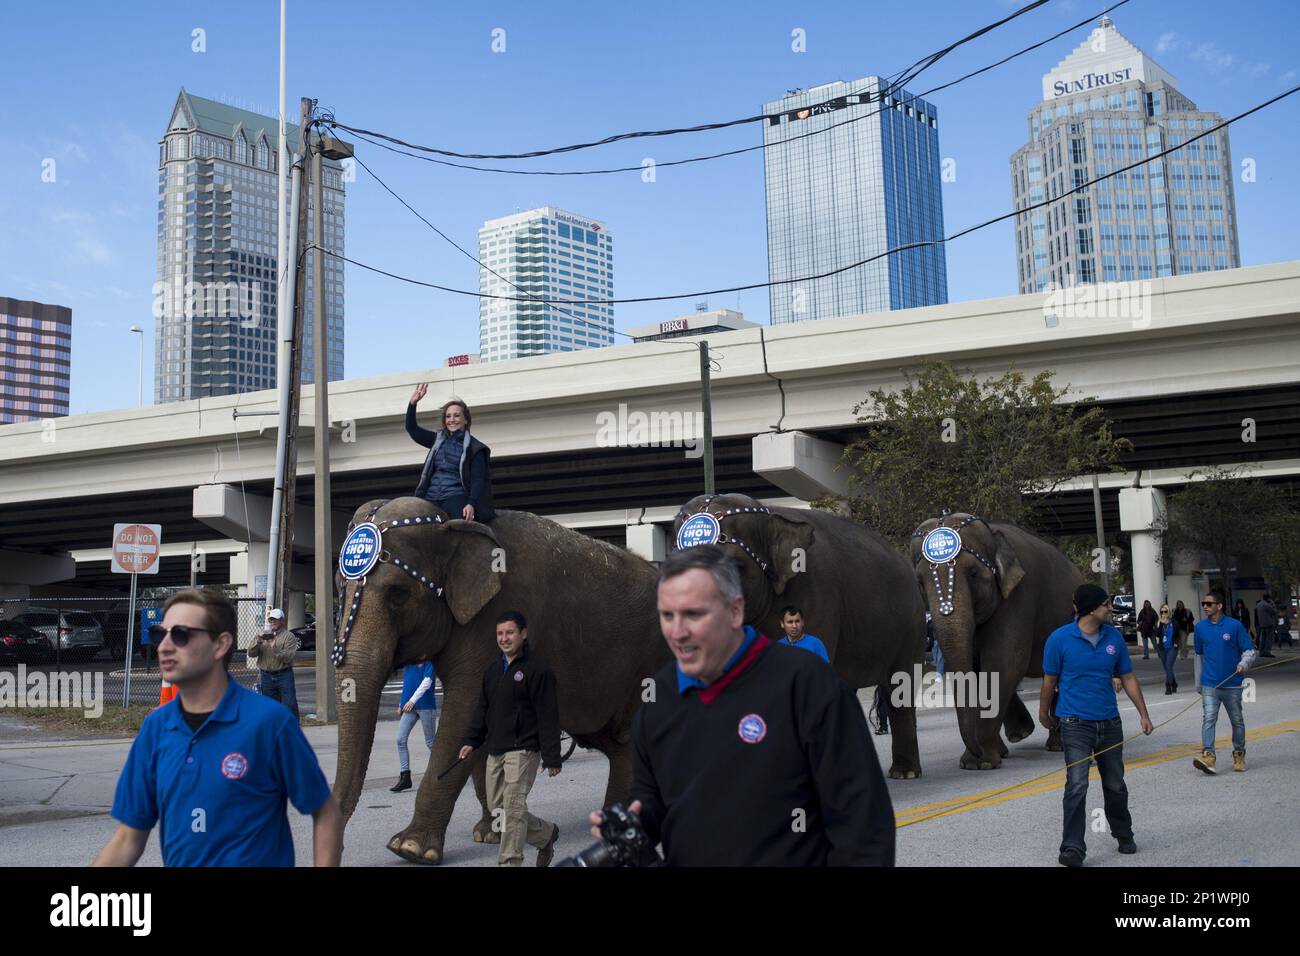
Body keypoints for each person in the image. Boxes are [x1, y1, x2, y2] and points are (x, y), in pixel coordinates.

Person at [591, 544, 895, 866]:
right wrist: (628, 826)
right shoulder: (658, 701)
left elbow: (864, 827)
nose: (677, 632)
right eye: (668, 615)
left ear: (735, 611)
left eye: (694, 614)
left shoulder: (809, 686)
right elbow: (652, 805)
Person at [93, 589, 342, 866]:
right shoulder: (155, 728)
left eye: (180, 635)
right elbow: (128, 839)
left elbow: (326, 813)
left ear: (220, 645)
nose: (163, 646)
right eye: (159, 634)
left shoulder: (271, 724)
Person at [1039, 584, 1153, 868]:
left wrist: (1143, 714)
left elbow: (1126, 677)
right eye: (1106, 604)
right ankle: (1073, 849)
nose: (1110, 609)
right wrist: (1043, 713)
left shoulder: (1113, 638)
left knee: (1115, 785)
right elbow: (1049, 681)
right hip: (1075, 724)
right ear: (1091, 608)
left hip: (1110, 724)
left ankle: (1123, 833)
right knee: (1076, 785)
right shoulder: (1059, 639)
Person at [458, 611, 561, 867]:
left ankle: (509, 862)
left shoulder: (538, 669)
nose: (504, 638)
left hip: (524, 749)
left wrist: (552, 757)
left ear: (523, 634)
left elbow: (548, 714)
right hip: (496, 749)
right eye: (500, 634)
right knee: (499, 810)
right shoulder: (492, 670)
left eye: (510, 633)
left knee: (512, 811)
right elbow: (483, 708)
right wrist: (471, 739)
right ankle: (545, 834)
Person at [407, 386, 495, 522]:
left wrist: (471, 503)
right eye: (448, 416)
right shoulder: (437, 440)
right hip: (430, 497)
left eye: (456, 415)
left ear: (466, 420)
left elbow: (478, 480)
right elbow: (412, 429)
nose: (452, 419)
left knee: (460, 527)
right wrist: (413, 403)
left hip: (456, 497)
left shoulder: (475, 447)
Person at [1193, 590, 1256, 774]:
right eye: (1204, 603)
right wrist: (1199, 684)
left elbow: (1249, 650)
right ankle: (1208, 756)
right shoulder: (1200, 628)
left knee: (1237, 721)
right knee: (1209, 719)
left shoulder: (1235, 626)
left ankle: (1239, 753)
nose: (1205, 606)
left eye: (1209, 603)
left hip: (1233, 684)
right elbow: (1199, 656)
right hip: (1210, 684)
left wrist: (1244, 663)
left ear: (1219, 606)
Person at [390, 656, 438, 793]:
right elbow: (408, 683)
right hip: (409, 707)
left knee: (430, 742)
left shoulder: (430, 661)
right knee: (400, 739)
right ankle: (405, 777)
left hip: (426, 706)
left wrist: (412, 701)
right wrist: (401, 703)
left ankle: (442, 769)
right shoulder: (409, 662)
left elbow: (427, 682)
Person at [247, 607, 300, 721]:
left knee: (290, 705)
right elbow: (251, 653)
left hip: (284, 675)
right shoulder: (263, 635)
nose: (273, 622)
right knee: (270, 707)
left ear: (282, 620)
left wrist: (275, 648)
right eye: (271, 619)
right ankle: (274, 731)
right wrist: (258, 640)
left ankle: (293, 730)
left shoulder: (289, 636)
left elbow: (289, 657)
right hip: (266, 676)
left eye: (276, 619)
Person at [1156, 604, 1178, 694]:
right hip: (1162, 648)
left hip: (1172, 647)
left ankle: (1168, 686)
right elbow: (1157, 634)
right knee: (1167, 668)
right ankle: (1174, 683)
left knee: (1168, 666)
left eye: (1165, 611)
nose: (1163, 613)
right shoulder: (1159, 623)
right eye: (1161, 612)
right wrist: (1161, 623)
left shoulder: (1173, 622)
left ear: (1168, 612)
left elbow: (1177, 634)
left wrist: (1176, 642)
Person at [1253, 594, 1279, 659]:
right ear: (1268, 598)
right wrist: (1272, 603)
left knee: (1263, 638)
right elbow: (1274, 611)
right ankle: (1267, 652)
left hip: (1262, 624)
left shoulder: (1258, 604)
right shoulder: (1266, 605)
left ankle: (1261, 652)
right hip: (1269, 623)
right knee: (1269, 639)